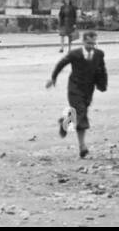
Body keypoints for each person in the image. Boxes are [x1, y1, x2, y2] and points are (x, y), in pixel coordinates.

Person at [46, 29, 107, 159]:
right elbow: (61, 64)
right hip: (74, 88)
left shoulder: (99, 54)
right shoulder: (75, 54)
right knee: (80, 110)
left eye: (93, 43)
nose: (91, 46)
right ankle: (65, 124)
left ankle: (82, 147)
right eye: (89, 43)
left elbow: (102, 70)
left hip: (88, 89)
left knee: (82, 115)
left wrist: (103, 85)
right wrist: (53, 78)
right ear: (83, 42)